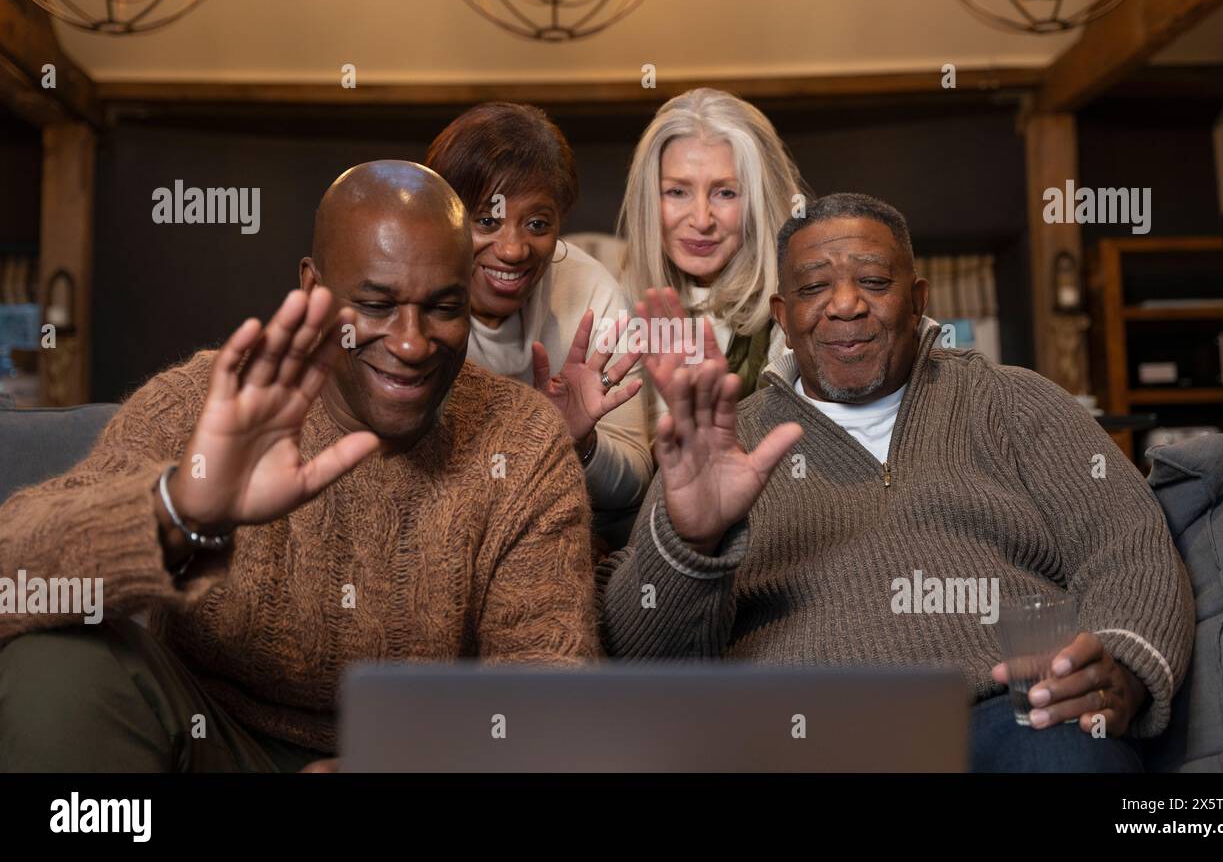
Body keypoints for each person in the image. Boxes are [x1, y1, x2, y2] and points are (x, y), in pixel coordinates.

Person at [0, 161, 597, 772]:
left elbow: (545, 686)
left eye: (443, 308)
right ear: (313, 287)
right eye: (376, 303)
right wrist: (179, 513)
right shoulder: (206, 405)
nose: (412, 343)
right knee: (54, 662)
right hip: (205, 747)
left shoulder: (521, 443)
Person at [599, 193, 1195, 772]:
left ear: (917, 300)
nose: (846, 306)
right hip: (795, 732)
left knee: (1064, 753)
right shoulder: (723, 440)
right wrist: (690, 539)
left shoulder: (1017, 403)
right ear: (782, 317)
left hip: (1004, 717)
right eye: (813, 288)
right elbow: (647, 655)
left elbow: (1128, 541)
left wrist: (1124, 664)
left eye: (875, 283)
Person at [424, 103, 651, 543]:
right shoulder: (409, 294)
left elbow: (634, 481)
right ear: (442, 215)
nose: (513, 250)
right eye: (487, 220)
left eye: (536, 223)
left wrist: (576, 445)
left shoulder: (590, 291)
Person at [618, 88, 809, 422]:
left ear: (759, 202)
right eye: (677, 192)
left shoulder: (797, 315)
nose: (701, 220)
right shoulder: (615, 307)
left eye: (726, 192)